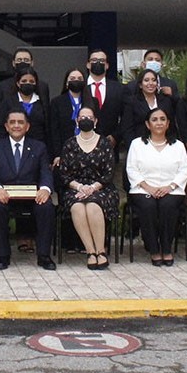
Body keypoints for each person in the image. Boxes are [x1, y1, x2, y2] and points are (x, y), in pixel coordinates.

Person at [0, 109, 56, 271]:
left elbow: (45, 171)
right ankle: (3, 256)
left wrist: (45, 189)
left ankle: (44, 255)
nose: (16, 126)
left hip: (32, 197)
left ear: (27, 127)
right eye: (12, 122)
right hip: (5, 196)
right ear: (6, 126)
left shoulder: (39, 147)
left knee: (46, 207)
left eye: (20, 122)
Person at [57, 105, 118, 270]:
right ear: (77, 121)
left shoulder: (105, 143)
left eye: (89, 117)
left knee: (92, 206)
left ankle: (101, 251)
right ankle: (91, 252)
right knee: (77, 207)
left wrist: (92, 188)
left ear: (96, 121)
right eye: (82, 117)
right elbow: (64, 174)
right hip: (75, 189)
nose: (85, 120)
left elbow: (109, 173)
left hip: (101, 188)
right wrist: (80, 187)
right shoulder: (69, 144)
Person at [127, 106, 187, 266]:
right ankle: (154, 249)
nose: (159, 123)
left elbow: (184, 169)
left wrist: (170, 187)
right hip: (142, 189)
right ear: (148, 124)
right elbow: (131, 168)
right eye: (154, 120)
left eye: (163, 119)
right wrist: (148, 187)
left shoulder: (178, 145)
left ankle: (167, 249)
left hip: (172, 190)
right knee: (148, 206)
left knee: (168, 205)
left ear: (168, 123)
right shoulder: (137, 144)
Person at [47, 69, 95, 160]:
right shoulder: (57, 102)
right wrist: (57, 154)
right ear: (66, 82)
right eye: (72, 78)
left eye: (79, 79)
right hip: (64, 150)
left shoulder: (92, 101)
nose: (76, 81)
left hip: (88, 149)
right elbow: (54, 130)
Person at [0, 65, 49, 145]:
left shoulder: (42, 103)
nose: (28, 83)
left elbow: (47, 129)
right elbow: (0, 128)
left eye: (31, 81)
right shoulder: (7, 102)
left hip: (38, 148)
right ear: (18, 83)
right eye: (24, 81)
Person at [121, 68, 176, 148]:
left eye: (154, 80)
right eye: (146, 80)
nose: (150, 83)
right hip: (140, 145)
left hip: (164, 145)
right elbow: (127, 128)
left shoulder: (166, 101)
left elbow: (171, 125)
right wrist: (133, 147)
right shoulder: (132, 102)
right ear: (140, 85)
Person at [83, 49, 122, 149]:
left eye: (102, 60)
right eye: (94, 60)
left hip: (111, 144)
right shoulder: (81, 88)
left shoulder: (119, 88)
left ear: (107, 65)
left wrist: (115, 136)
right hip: (84, 142)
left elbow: (125, 115)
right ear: (88, 64)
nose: (98, 63)